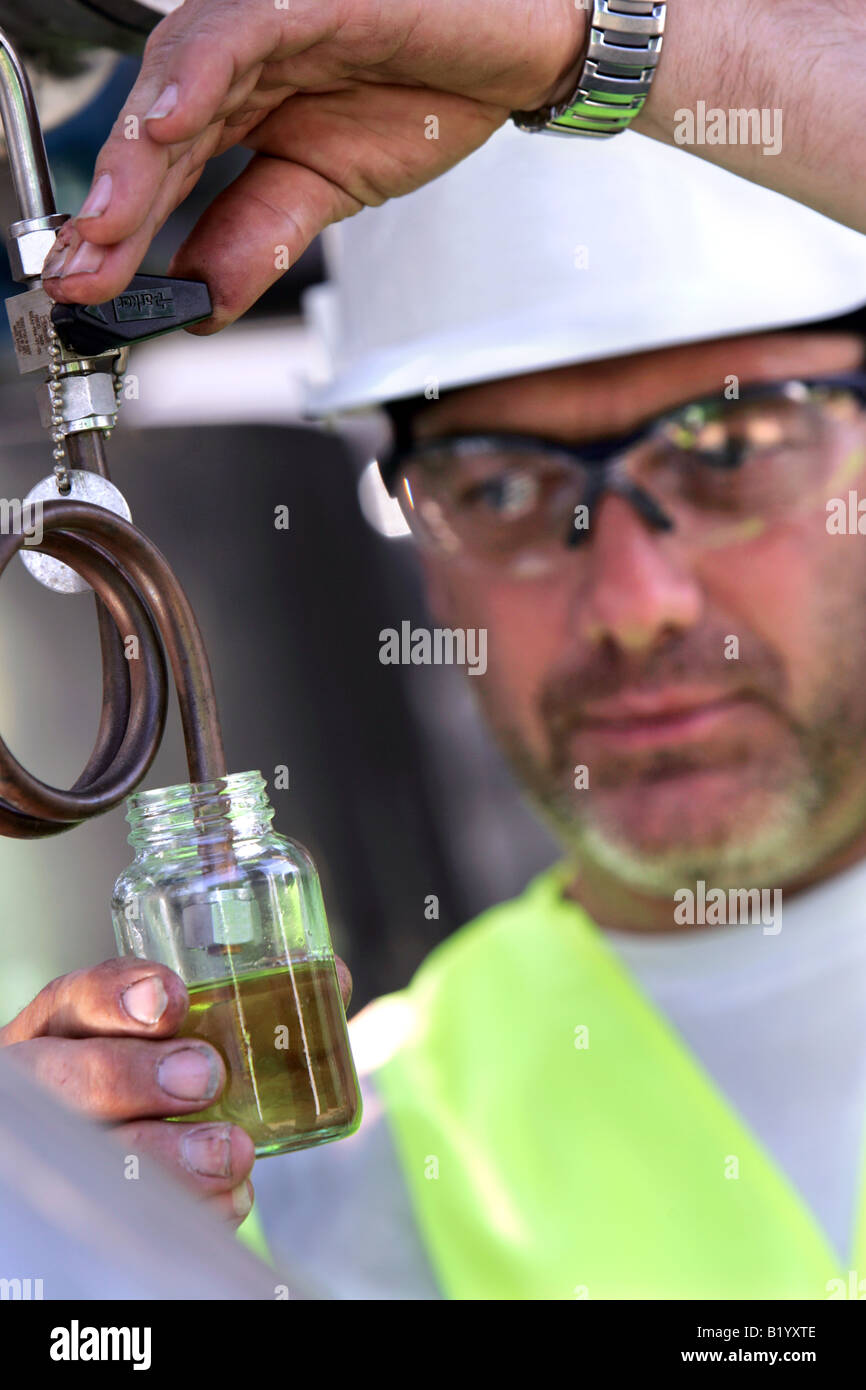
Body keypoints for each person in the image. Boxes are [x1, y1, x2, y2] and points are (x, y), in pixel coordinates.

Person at [5, 0, 866, 1300]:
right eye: (502, 484)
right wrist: (57, 1241)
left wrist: (594, 37)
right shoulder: (326, 1161)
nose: (634, 599)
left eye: (728, 452)